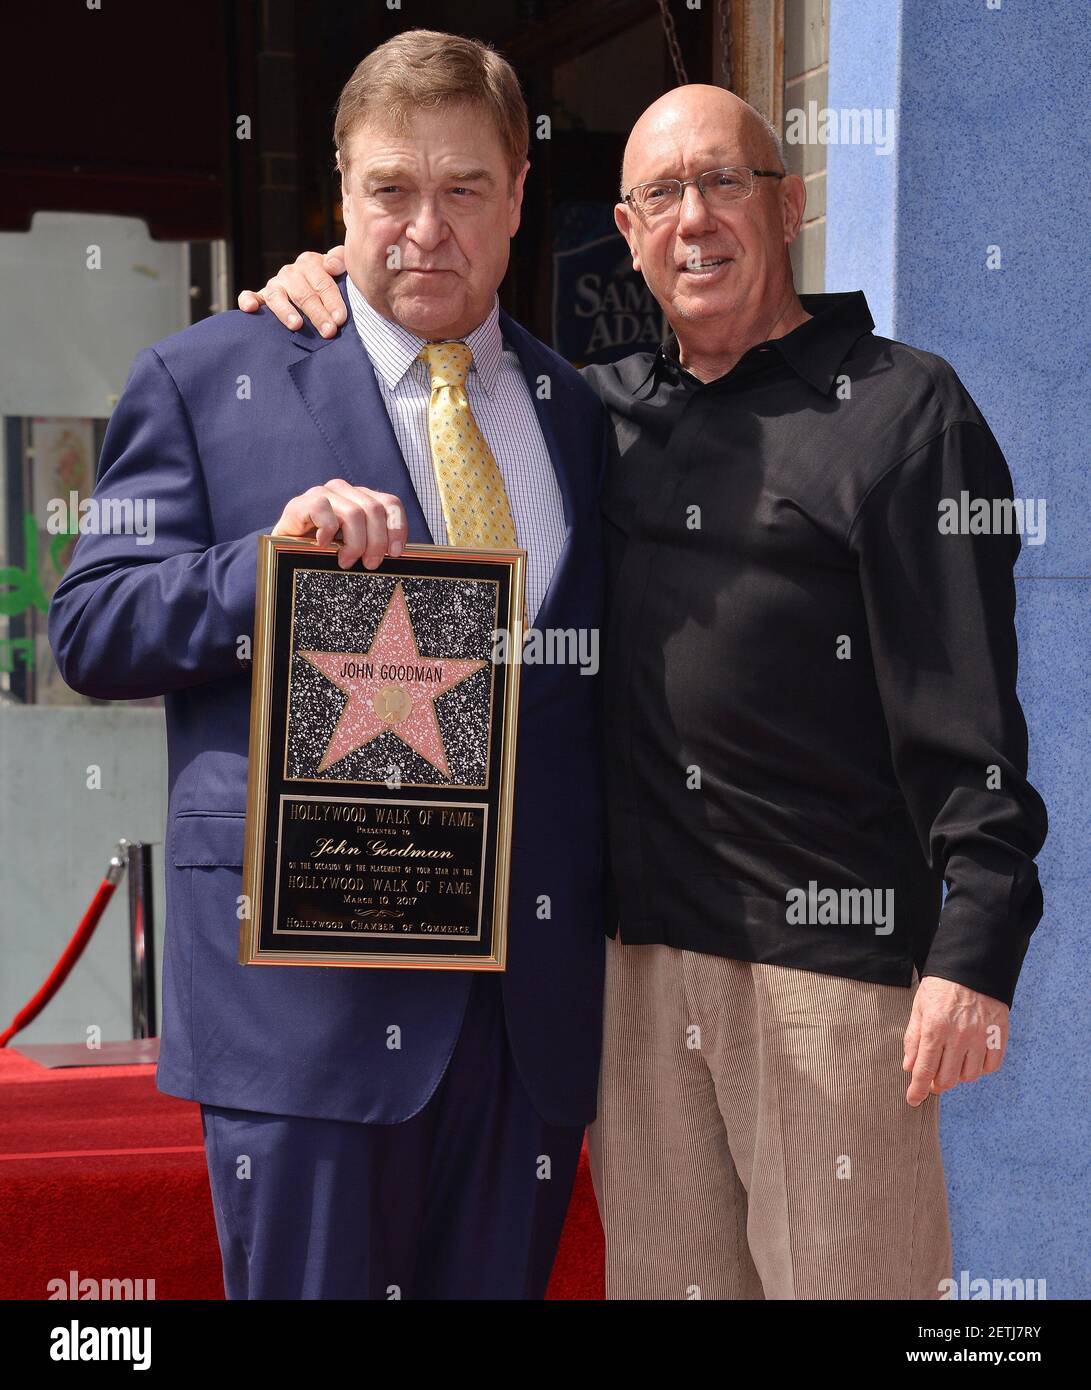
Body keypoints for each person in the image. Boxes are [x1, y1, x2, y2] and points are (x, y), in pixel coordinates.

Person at [242, 83, 1048, 1300]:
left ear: (786, 208)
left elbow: (968, 703)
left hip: (827, 975)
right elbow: (420, 346)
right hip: (632, 978)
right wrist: (325, 285)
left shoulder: (900, 409)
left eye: (722, 182)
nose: (693, 219)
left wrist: (975, 948)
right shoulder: (594, 415)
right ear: (624, 234)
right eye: (660, 195)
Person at [48, 29, 609, 1300]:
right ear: (339, 199)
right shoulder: (209, 377)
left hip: (523, 1030)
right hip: (302, 1013)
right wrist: (267, 563)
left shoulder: (580, 412)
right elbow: (89, 625)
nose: (424, 228)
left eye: (464, 189)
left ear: (520, 193)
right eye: (388, 192)